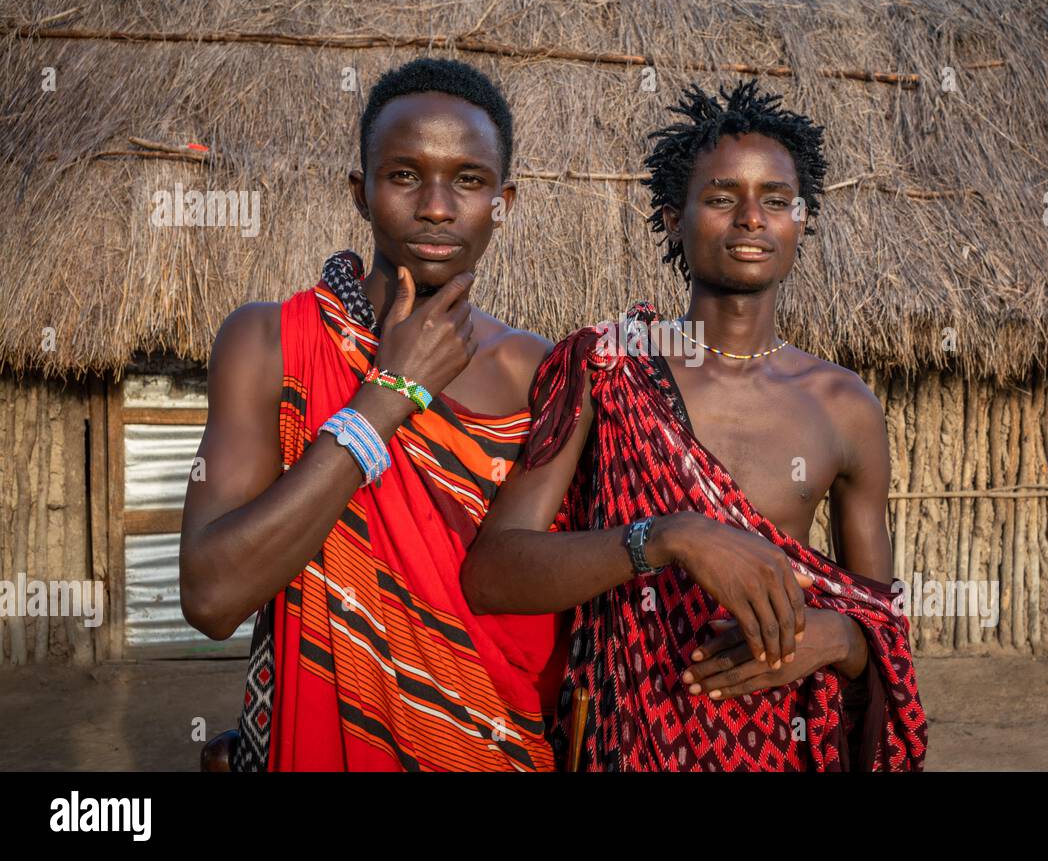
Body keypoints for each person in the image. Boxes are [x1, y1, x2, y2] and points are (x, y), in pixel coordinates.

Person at [462, 79, 928, 772]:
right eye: (720, 198)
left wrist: (834, 637)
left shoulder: (843, 405)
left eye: (776, 200)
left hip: (782, 749)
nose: (750, 218)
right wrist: (669, 537)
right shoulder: (606, 369)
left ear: (803, 219)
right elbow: (494, 574)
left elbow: (879, 627)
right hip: (623, 743)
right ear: (672, 219)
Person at [179, 58, 563, 771]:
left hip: (497, 748)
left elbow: (550, 616)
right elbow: (210, 595)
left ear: (504, 200)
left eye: (470, 181)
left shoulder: (543, 376)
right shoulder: (271, 342)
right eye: (405, 175)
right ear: (361, 193)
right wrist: (385, 398)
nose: (438, 206)